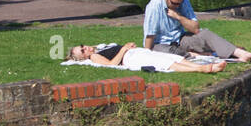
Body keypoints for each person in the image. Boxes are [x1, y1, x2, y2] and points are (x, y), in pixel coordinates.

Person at [143, 0, 251, 62]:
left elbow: (195, 28)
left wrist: (179, 17)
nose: (177, 6)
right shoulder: (155, 6)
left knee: (205, 34)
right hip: (160, 44)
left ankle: (240, 54)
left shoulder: (184, 2)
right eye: (174, 3)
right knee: (170, 52)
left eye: (179, 3)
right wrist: (146, 55)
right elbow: (150, 35)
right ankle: (201, 56)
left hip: (179, 39)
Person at [66, 43, 224, 73]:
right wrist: (123, 49)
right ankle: (203, 69)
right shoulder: (95, 56)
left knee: (168, 57)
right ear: (84, 57)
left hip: (137, 53)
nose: (85, 48)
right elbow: (110, 65)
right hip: (130, 59)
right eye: (82, 51)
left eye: (82, 46)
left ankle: (201, 66)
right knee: (163, 63)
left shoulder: (100, 47)